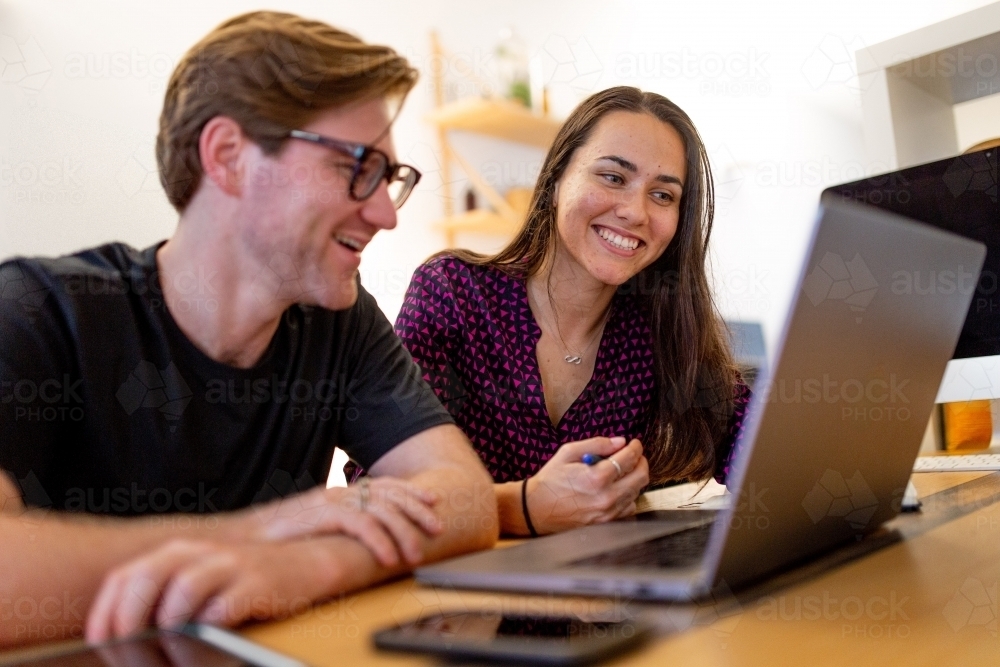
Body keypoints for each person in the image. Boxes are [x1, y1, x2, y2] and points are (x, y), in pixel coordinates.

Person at [0, 11, 497, 648]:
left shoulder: (340, 323)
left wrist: (306, 563)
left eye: (389, 179)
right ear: (229, 157)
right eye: (359, 166)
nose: (383, 213)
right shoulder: (40, 311)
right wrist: (264, 532)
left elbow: (466, 498)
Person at [387, 87, 751, 536]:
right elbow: (386, 491)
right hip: (462, 595)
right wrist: (522, 508)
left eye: (662, 195)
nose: (635, 212)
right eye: (613, 178)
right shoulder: (454, 293)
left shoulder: (658, 329)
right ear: (557, 180)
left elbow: (757, 444)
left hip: (598, 596)